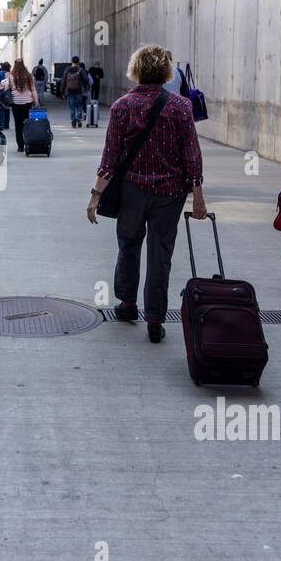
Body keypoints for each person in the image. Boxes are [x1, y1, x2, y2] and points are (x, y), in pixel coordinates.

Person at [86, 45, 207, 344]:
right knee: (160, 255)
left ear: (136, 69)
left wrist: (95, 195)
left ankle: (127, 305)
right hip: (170, 193)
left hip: (132, 192)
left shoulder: (122, 106)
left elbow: (110, 158)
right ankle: (155, 320)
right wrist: (198, 194)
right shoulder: (181, 107)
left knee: (129, 245)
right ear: (166, 73)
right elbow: (192, 155)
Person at [7, 59, 41, 152]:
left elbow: (7, 88)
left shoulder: (11, 76)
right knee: (27, 124)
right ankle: (28, 143)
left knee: (18, 125)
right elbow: (33, 89)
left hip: (15, 103)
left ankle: (20, 146)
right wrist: (36, 101)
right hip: (27, 102)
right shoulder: (29, 76)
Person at [60, 56, 90, 128]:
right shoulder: (81, 70)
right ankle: (78, 118)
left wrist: (62, 91)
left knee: (72, 107)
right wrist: (87, 87)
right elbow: (86, 79)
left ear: (71, 62)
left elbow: (63, 81)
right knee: (79, 105)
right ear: (78, 62)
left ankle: (73, 122)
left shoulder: (67, 70)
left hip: (69, 91)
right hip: (79, 91)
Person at [0, 61, 12, 131]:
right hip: (7, 94)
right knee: (7, 109)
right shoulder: (9, 74)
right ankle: (6, 125)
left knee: (0, 110)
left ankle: (1, 125)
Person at [87, 60, 105, 125]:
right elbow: (88, 74)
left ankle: (96, 101)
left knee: (96, 93)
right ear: (94, 64)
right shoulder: (91, 69)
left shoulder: (100, 70)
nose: (97, 65)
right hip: (92, 84)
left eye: (97, 64)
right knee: (92, 93)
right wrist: (93, 76)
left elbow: (102, 76)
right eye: (96, 64)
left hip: (97, 83)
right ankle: (92, 101)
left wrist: (99, 76)